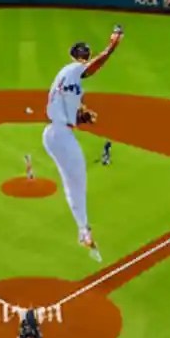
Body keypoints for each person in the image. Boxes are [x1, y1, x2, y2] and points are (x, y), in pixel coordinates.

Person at [43, 24, 123, 261]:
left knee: (74, 181)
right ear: (79, 57)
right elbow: (93, 68)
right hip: (59, 134)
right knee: (77, 182)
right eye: (84, 56)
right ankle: (83, 230)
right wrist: (111, 47)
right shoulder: (73, 70)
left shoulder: (70, 81)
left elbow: (71, 106)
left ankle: (83, 229)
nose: (84, 59)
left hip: (55, 133)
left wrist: (82, 115)